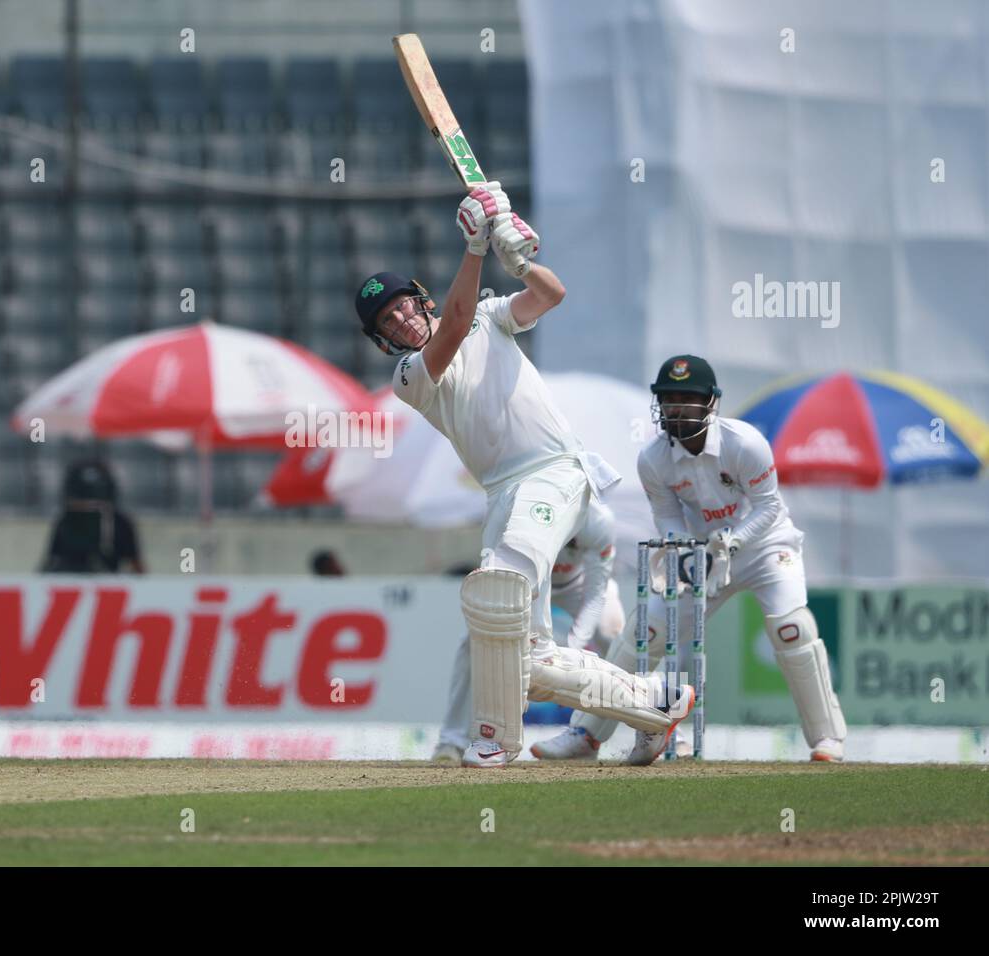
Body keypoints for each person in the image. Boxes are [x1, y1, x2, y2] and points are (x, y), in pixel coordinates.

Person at [356, 181, 695, 768]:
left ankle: (490, 740)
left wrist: (518, 258)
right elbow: (456, 323)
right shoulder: (411, 376)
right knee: (514, 641)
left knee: (501, 588)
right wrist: (475, 246)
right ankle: (654, 704)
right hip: (503, 494)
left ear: (421, 299)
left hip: (553, 472)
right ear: (383, 341)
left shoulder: (491, 314)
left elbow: (551, 295)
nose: (403, 320)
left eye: (406, 305)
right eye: (389, 321)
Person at [536, 355, 847, 764]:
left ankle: (828, 740)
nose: (677, 408)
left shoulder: (745, 443)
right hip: (702, 557)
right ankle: (585, 735)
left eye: (688, 398)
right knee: (643, 632)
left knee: (792, 629)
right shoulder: (653, 459)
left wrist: (733, 542)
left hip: (766, 548)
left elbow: (768, 507)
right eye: (669, 399)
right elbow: (666, 516)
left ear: (711, 403)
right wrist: (686, 547)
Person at [432, 498, 627, 764]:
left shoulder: (599, 520)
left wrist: (575, 648)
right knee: (474, 640)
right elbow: (497, 564)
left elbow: (595, 598)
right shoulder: (520, 506)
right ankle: (451, 742)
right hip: (526, 584)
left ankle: (642, 726)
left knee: (614, 635)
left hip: (578, 586)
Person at [41, 459, 143, 574]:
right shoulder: (65, 521)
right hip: (70, 578)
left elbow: (136, 566)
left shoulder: (120, 523)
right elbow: (52, 560)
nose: (89, 508)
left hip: (108, 582)